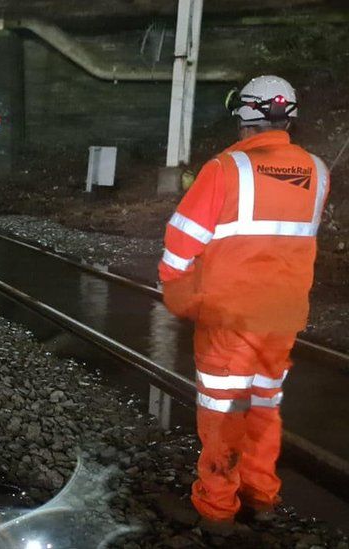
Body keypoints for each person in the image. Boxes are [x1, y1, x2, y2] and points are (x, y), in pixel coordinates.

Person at [158, 75, 330, 531]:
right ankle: (261, 494)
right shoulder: (317, 170)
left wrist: (177, 293)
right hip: (283, 317)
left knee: (223, 410)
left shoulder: (226, 169)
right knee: (264, 404)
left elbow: (181, 240)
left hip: (230, 317)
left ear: (244, 115)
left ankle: (216, 511)